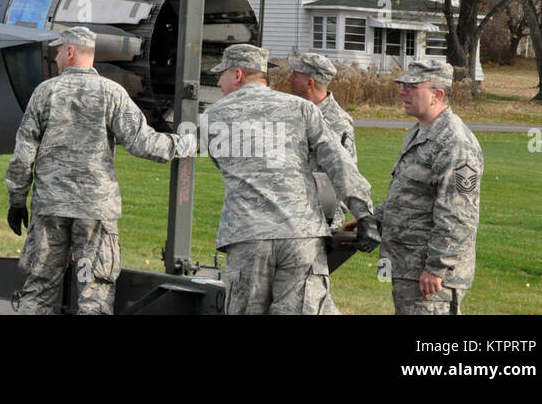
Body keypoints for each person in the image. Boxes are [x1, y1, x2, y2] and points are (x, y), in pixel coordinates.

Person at [4, 26, 196, 314]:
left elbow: (23, 154)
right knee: (94, 291)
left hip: (50, 207)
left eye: (58, 51)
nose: (56, 57)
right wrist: (184, 144)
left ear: (70, 51)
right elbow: (142, 143)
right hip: (94, 208)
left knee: (39, 288)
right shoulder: (111, 93)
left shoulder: (45, 92)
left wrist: (17, 201)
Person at [204, 43, 377, 315]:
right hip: (302, 236)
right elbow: (339, 162)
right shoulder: (302, 108)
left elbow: (222, 162)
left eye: (222, 74)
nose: (218, 81)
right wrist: (364, 212)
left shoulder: (214, 115)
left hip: (249, 234)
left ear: (237, 74)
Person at [376, 59, 483, 315]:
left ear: (438, 94)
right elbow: (410, 195)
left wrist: (437, 267)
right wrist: (374, 218)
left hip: (432, 279)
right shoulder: (420, 132)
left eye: (412, 87)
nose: (403, 92)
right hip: (408, 267)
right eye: (403, 85)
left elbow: (460, 213)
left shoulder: (455, 142)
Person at [287, 51, 357, 228]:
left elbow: (346, 174)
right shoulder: (294, 112)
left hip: (320, 217)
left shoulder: (338, 122)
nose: (289, 79)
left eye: (295, 75)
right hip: (290, 212)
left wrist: (330, 218)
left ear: (309, 82)